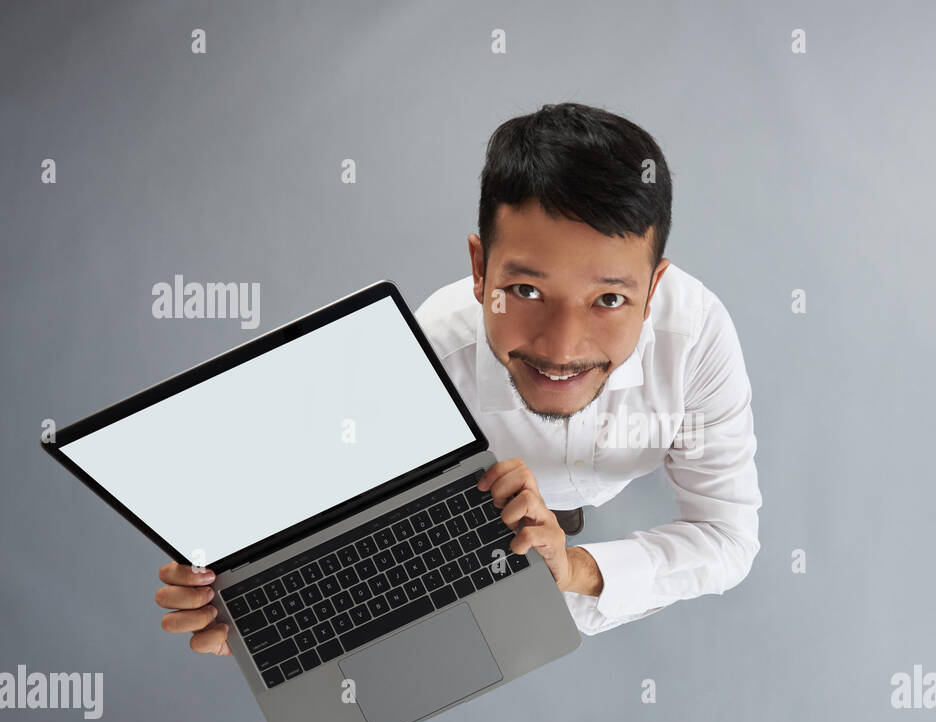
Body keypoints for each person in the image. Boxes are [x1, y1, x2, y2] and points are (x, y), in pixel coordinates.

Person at [155, 102, 761, 650]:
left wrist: (575, 568)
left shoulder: (697, 339)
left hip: (568, 516)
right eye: (526, 290)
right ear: (479, 270)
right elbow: (363, 517)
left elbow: (727, 538)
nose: (562, 348)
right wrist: (255, 601)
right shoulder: (431, 355)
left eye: (608, 300)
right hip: (491, 512)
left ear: (654, 291)